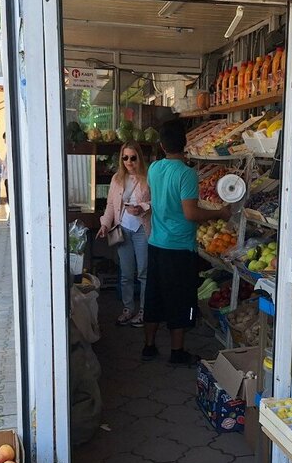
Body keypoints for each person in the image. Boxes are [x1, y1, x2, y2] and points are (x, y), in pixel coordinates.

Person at [142, 120, 230, 365]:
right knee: (180, 298)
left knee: (154, 294)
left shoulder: (154, 169)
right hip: (179, 246)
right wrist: (219, 213)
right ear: (186, 143)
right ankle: (177, 351)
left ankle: (148, 346)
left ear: (161, 145)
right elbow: (191, 213)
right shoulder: (186, 173)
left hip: (157, 242)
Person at [98, 141, 151, 327]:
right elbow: (111, 205)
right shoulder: (117, 179)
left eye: (133, 157)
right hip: (123, 230)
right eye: (125, 157)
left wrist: (142, 208)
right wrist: (105, 224)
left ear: (139, 158)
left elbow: (156, 203)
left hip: (142, 231)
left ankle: (145, 311)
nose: (129, 161)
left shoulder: (148, 177)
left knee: (144, 272)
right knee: (126, 273)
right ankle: (128, 309)